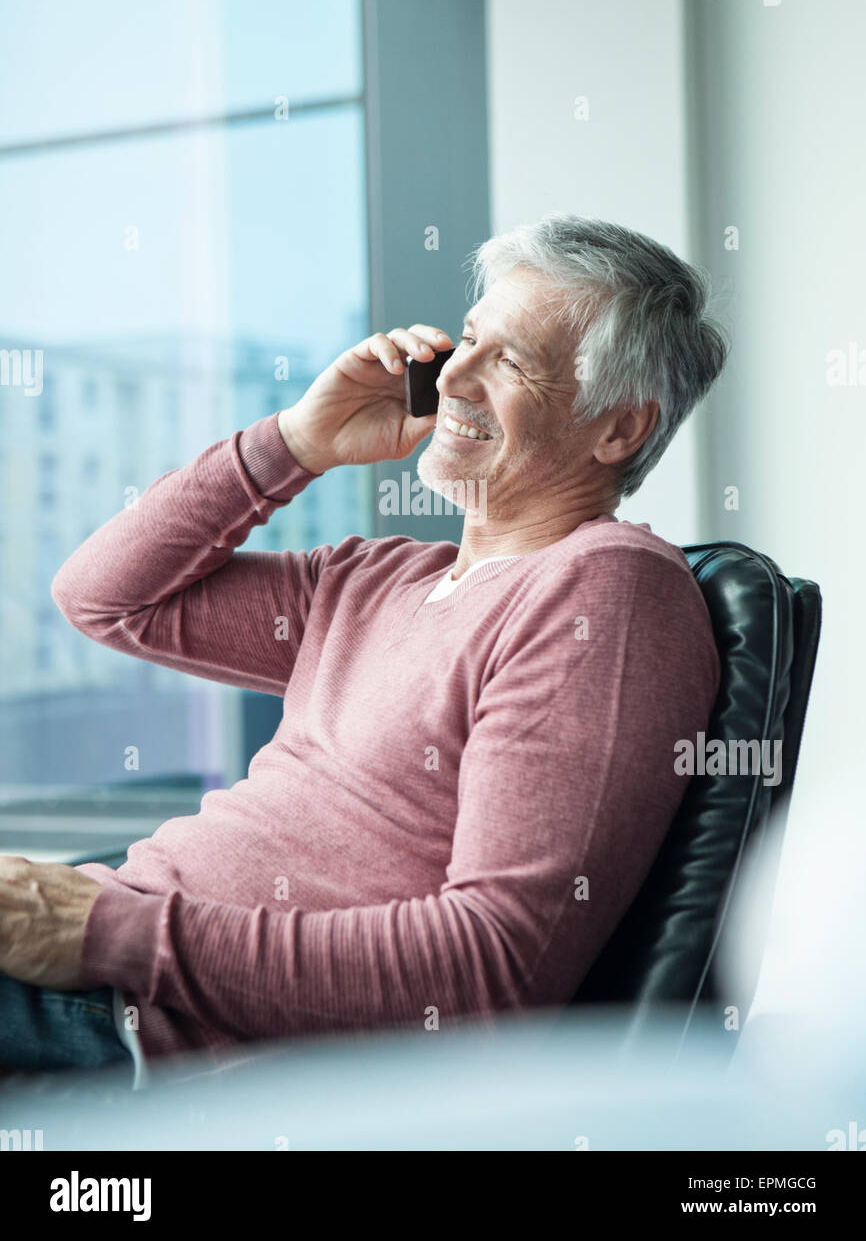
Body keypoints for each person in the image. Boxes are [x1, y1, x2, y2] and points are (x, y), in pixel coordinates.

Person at [0, 215, 728, 1087]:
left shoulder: (604, 588)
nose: (453, 375)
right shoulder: (375, 579)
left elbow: (494, 969)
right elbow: (103, 596)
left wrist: (103, 933)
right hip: (89, 965)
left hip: (133, 1018)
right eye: (466, 339)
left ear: (616, 430)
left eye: (510, 362)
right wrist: (297, 442)